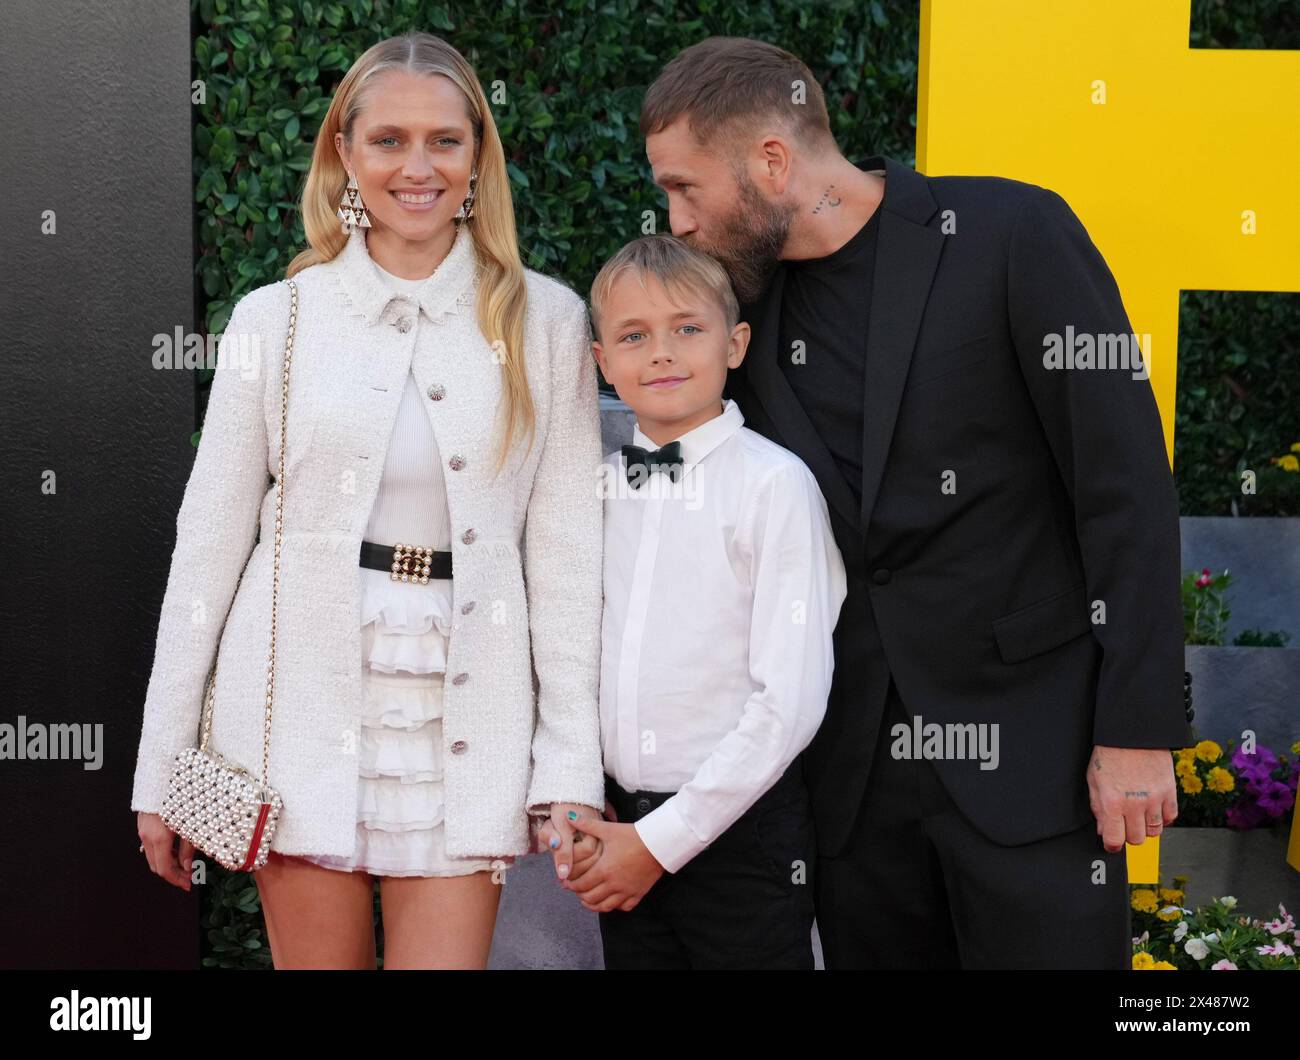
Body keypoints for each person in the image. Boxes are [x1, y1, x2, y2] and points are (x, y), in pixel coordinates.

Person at [638, 36, 1192, 968]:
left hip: (1036, 761)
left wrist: (1137, 728)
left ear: (772, 160)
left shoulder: (1011, 234)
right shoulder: (738, 317)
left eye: (686, 187)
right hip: (855, 793)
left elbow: (1125, 487)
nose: (676, 219)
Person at [131, 31, 604, 969]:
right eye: (388, 140)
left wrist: (569, 765)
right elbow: (206, 549)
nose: (417, 167)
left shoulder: (546, 321)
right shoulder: (277, 319)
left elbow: (566, 558)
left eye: (445, 141)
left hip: (468, 720)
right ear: (344, 153)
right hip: (292, 711)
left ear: (478, 159)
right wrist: (161, 767)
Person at [545, 234, 847, 968]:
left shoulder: (775, 486)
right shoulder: (593, 490)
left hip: (740, 834)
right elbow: (570, 651)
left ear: (735, 343)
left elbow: (790, 701)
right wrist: (577, 792)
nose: (662, 353)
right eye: (634, 336)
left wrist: (663, 842)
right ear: (601, 363)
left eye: (688, 328)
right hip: (618, 827)